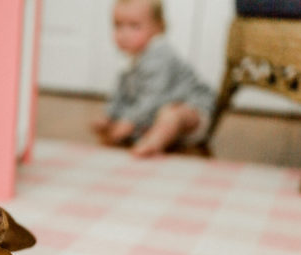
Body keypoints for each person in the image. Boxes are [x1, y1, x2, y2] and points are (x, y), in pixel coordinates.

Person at [92, 0, 216, 157]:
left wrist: (129, 122)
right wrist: (111, 115)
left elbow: (154, 98)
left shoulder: (159, 53)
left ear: (158, 27)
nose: (124, 34)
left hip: (191, 110)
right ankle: (149, 134)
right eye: (118, 25)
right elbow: (121, 93)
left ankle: (154, 142)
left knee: (170, 114)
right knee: (155, 116)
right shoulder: (132, 58)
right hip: (156, 111)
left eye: (134, 26)